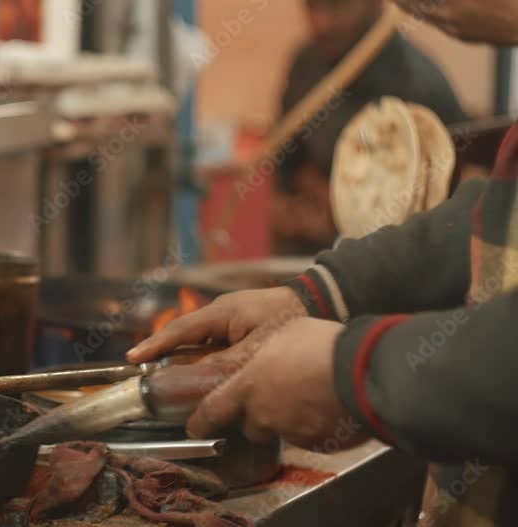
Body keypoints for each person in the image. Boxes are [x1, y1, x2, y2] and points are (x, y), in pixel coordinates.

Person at [127, 3, 518, 524]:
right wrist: (317, 294)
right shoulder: (305, 64)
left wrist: (353, 372)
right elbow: (496, 213)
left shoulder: (418, 78)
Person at [273, 0, 468, 255]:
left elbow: (453, 200)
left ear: (376, 5)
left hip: (395, 260)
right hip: (310, 251)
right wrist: (300, 207)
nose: (322, 23)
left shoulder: (419, 83)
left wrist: (345, 220)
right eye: (311, 6)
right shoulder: (305, 63)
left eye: (338, 7)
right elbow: (289, 157)